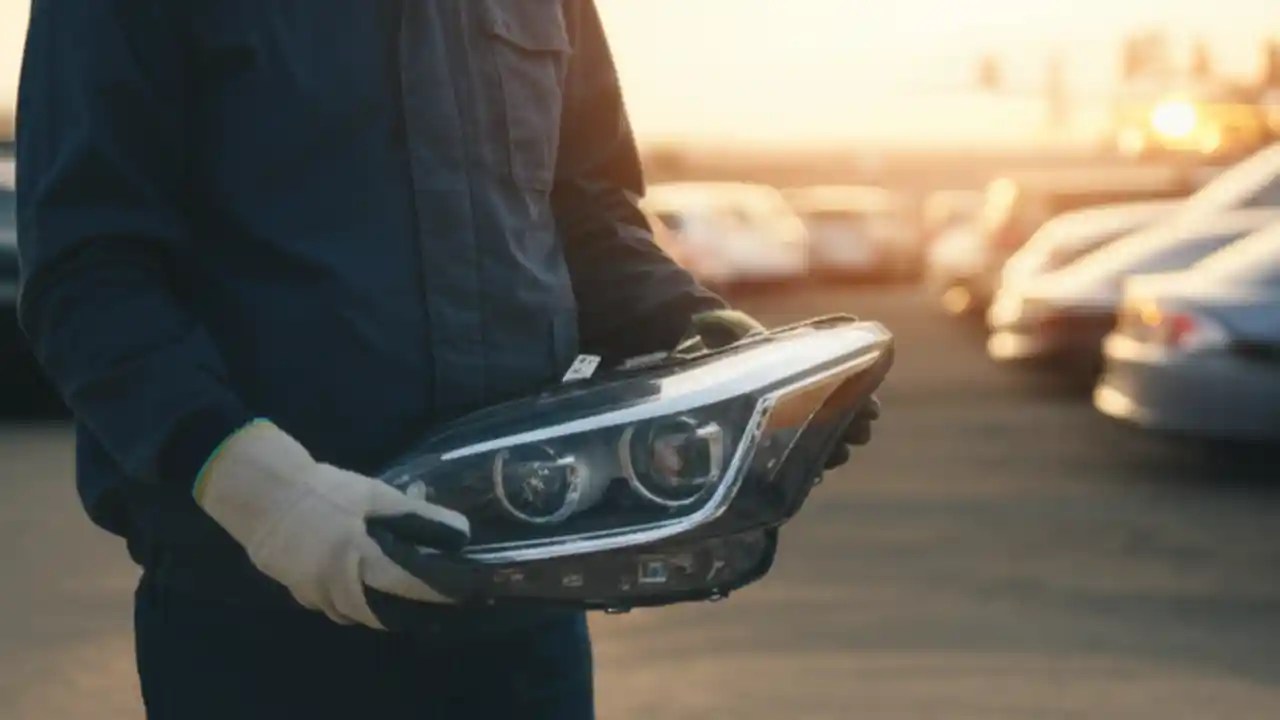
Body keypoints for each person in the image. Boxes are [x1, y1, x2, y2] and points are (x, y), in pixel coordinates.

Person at [16, 1, 877, 717]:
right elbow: (89, 277)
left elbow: (586, 217)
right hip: (260, 616)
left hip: (520, 609)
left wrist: (704, 337)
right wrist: (264, 493)